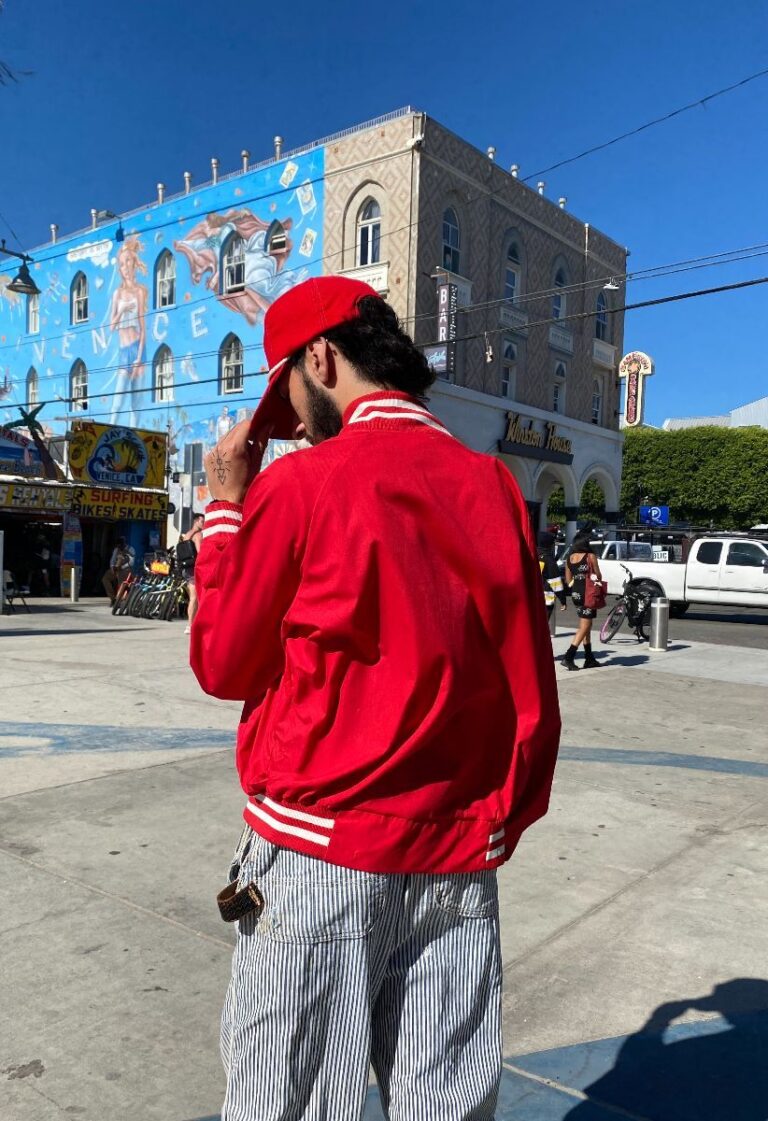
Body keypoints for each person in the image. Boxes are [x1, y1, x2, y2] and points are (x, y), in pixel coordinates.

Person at [189, 276, 561, 1121]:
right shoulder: (491, 484)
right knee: (446, 1107)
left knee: (283, 1102)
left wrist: (224, 511)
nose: (296, 423)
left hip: (321, 850)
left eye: (290, 395)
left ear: (320, 357)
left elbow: (223, 661)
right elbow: (529, 683)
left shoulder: (302, 484)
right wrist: (494, 821)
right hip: (456, 854)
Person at [563, 530, 604, 669]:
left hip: (576, 593)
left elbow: (568, 579)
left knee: (586, 624)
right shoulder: (590, 556)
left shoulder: (570, 558)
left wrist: (576, 584)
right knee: (585, 626)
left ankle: (589, 658)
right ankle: (569, 657)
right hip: (588, 593)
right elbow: (598, 575)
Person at [177, 512, 204, 633]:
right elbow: (200, 552)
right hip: (194, 569)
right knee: (195, 598)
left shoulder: (187, 534)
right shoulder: (198, 535)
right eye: (202, 521)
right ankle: (191, 625)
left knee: (193, 598)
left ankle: (191, 624)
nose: (204, 524)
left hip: (186, 569)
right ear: (196, 521)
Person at [538, 531, 567, 624]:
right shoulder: (549, 560)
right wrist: (563, 600)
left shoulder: (532, 555)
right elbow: (556, 582)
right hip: (546, 596)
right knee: (543, 624)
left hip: (530, 596)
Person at [101, 536, 135, 604]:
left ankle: (119, 600)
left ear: (124, 543)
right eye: (118, 545)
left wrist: (122, 567)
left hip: (125, 569)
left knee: (121, 583)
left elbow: (131, 562)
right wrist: (112, 567)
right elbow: (113, 559)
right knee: (105, 579)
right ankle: (113, 598)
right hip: (116, 568)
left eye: (121, 545)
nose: (119, 547)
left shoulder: (130, 549)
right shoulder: (116, 549)